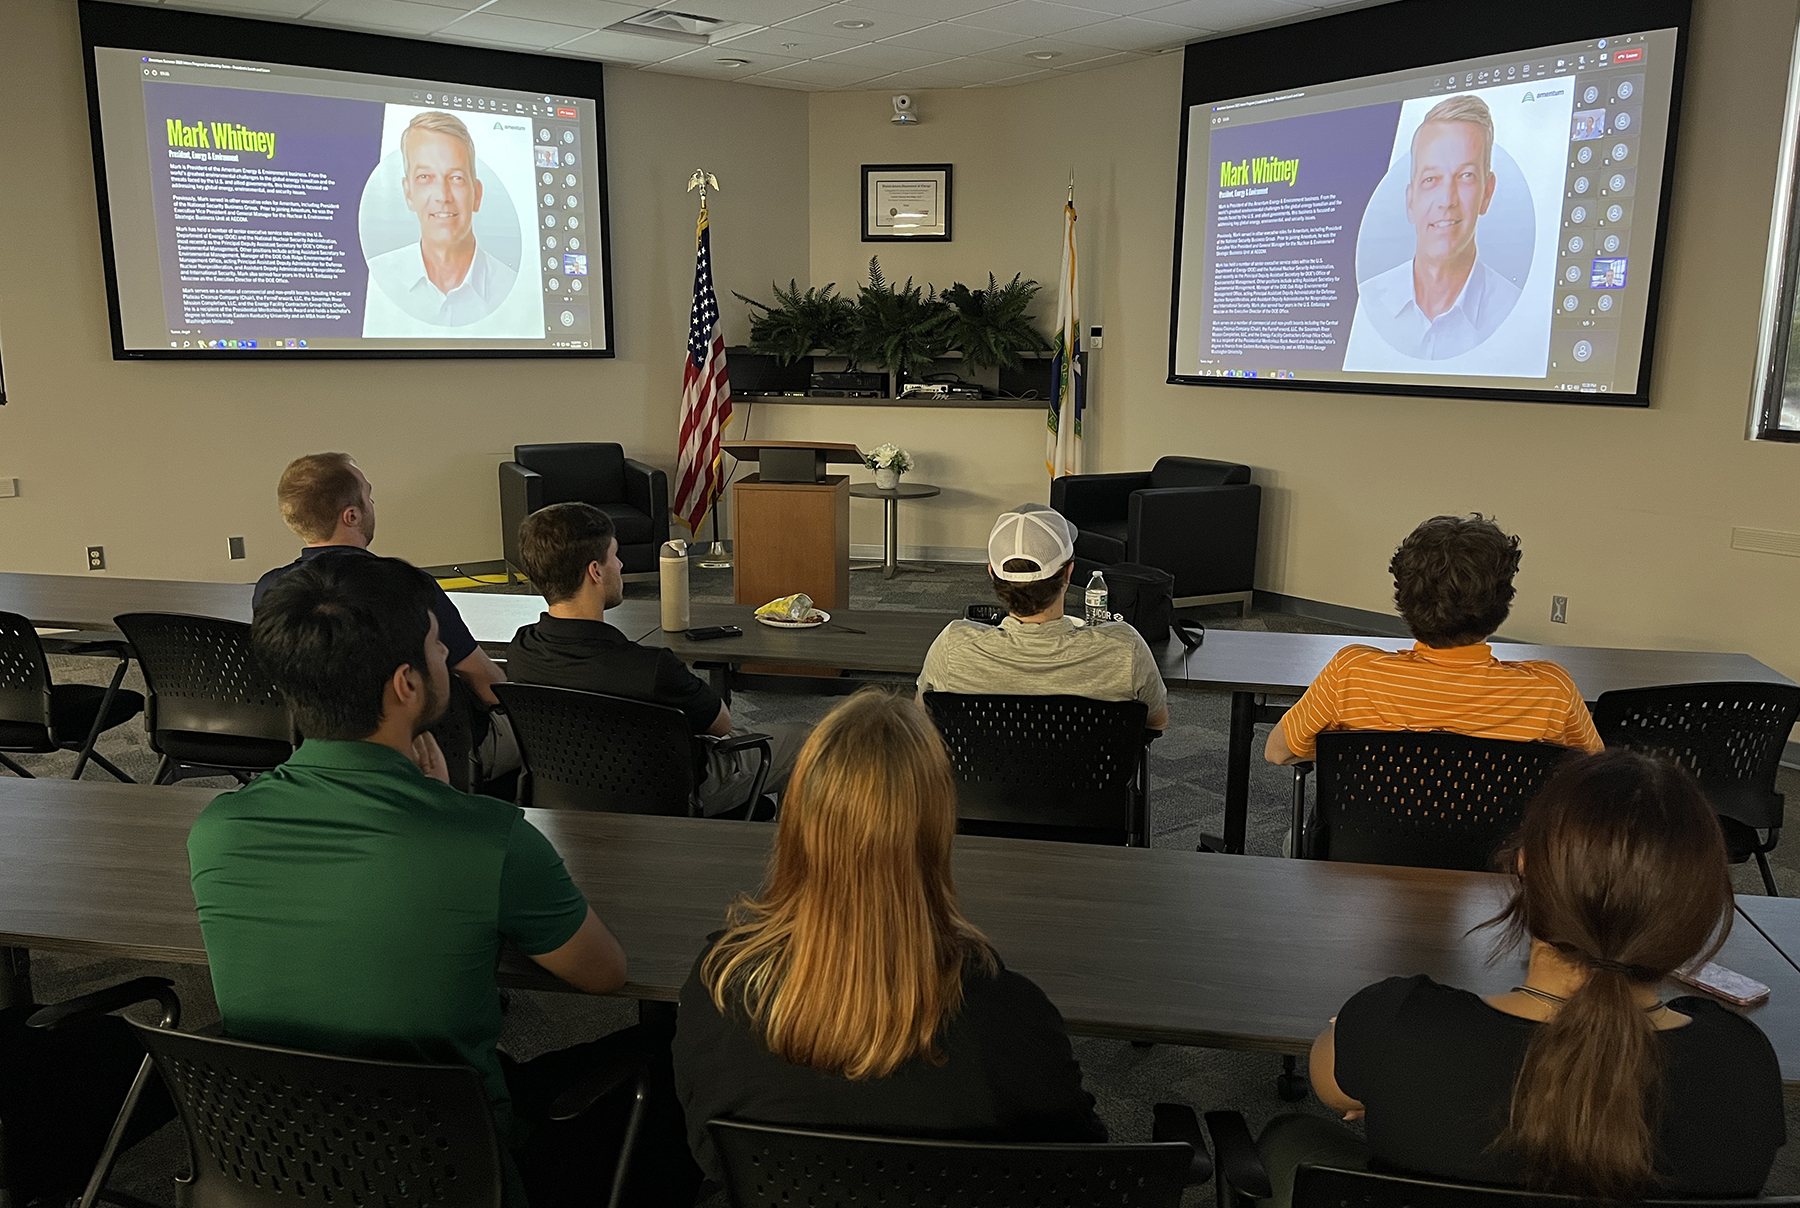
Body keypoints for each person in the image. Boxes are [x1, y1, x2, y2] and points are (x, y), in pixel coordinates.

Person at [191, 553, 641, 1206]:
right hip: (456, 1172)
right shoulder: (491, 838)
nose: (445, 662)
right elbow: (604, 974)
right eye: (438, 647)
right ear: (405, 685)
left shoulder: (218, 829)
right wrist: (451, 812)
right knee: (657, 1072)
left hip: (286, 1161)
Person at [1254, 750, 1784, 1207]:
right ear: (1700, 906)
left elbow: (1329, 1082)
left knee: (1289, 1136)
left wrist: (1367, 1043)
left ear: (1526, 867)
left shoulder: (1402, 1024)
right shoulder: (1747, 1065)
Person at [672, 689, 1105, 1189]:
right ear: (939, 829)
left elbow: (709, 1154)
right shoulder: (1013, 1019)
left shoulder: (720, 989)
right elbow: (1080, 1165)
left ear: (795, 821)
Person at [505, 501, 804, 810]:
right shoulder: (652, 669)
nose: (620, 566)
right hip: (675, 795)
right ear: (595, 571)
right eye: (614, 556)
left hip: (568, 795)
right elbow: (722, 725)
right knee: (806, 740)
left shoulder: (521, 650)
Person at [255, 451, 515, 782]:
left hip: (323, 757)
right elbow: (485, 680)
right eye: (369, 497)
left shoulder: (269, 591)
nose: (373, 505)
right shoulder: (406, 588)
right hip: (435, 751)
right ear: (351, 516)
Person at [1267, 514, 1602, 767]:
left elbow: (1278, 752)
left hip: (1367, 854)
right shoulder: (1551, 692)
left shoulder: (1351, 674)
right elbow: (1593, 781)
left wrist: (1342, 752)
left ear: (1404, 600)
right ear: (1502, 604)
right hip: (1495, 858)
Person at [917, 502, 1169, 730]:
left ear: (993, 574)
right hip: (1091, 780)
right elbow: (1157, 723)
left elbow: (922, 719)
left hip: (980, 781)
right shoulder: (1125, 649)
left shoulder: (952, 646)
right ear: (1069, 573)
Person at [1355, 95, 1522, 360]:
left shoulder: (1518, 311)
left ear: (1487, 193)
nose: (1447, 200)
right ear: (1410, 201)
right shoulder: (1366, 305)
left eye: (1466, 176)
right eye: (1431, 179)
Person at [366, 110, 518, 326]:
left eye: (456, 178)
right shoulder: (376, 280)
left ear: (477, 194)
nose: (443, 196)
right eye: (425, 177)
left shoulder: (513, 286)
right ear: (408, 193)